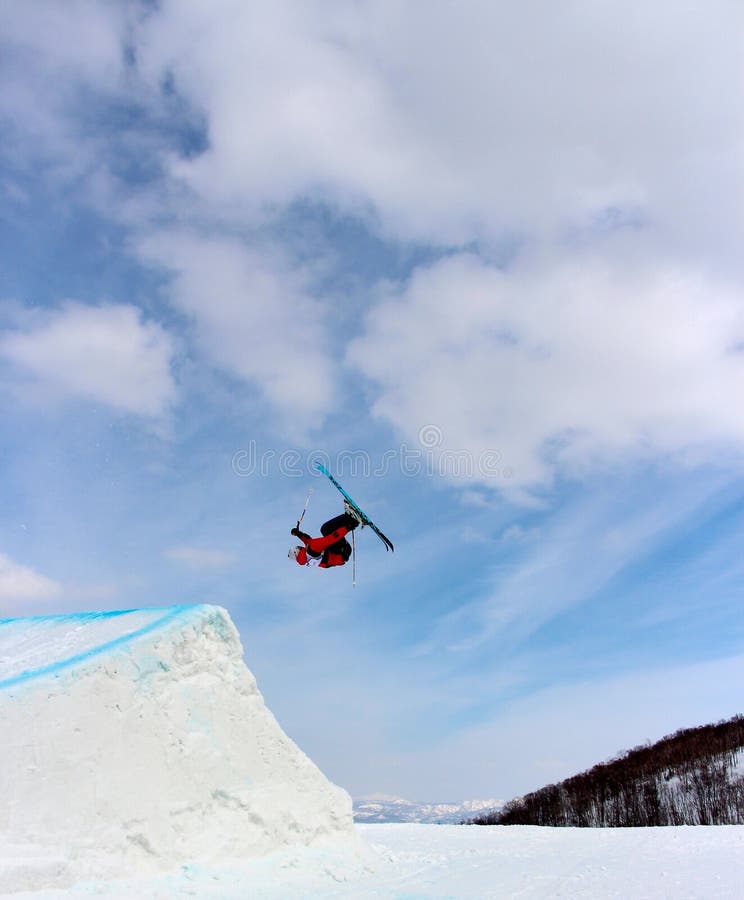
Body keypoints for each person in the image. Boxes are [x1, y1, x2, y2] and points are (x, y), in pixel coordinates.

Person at [289, 503, 362, 568]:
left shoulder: (306, 557)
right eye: (297, 547)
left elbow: (307, 540)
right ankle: (352, 519)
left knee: (325, 529)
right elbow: (330, 539)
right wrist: (348, 527)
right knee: (325, 529)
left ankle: (349, 517)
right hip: (342, 552)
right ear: (297, 552)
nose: (299, 546)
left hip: (340, 555)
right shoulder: (312, 548)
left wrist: (298, 533)